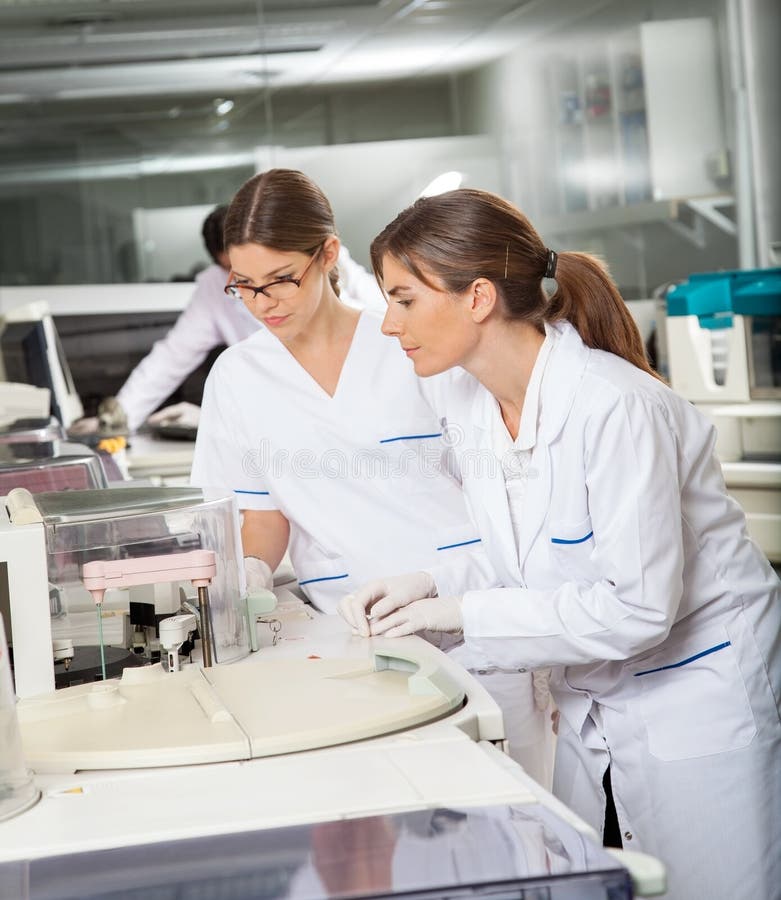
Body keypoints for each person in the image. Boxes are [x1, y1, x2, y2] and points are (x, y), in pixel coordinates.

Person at [339, 188, 781, 900]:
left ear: (477, 296)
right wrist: (430, 583)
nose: (388, 324)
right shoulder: (467, 399)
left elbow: (636, 609)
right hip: (593, 699)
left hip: (695, 696)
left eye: (404, 299)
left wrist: (462, 616)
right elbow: (531, 552)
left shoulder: (615, 408)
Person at [189, 169, 554, 785]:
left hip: (476, 618)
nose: (262, 303)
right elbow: (262, 512)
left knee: (514, 807)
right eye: (243, 286)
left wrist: (450, 591)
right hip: (351, 635)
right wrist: (247, 572)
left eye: (281, 279)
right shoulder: (237, 376)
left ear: (328, 254)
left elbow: (510, 495)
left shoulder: (415, 342)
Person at [72, 204, 383, 434]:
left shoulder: (321, 262)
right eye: (230, 271)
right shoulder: (214, 288)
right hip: (282, 423)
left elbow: (383, 317)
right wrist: (117, 417)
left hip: (358, 408)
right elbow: (171, 357)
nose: (246, 285)